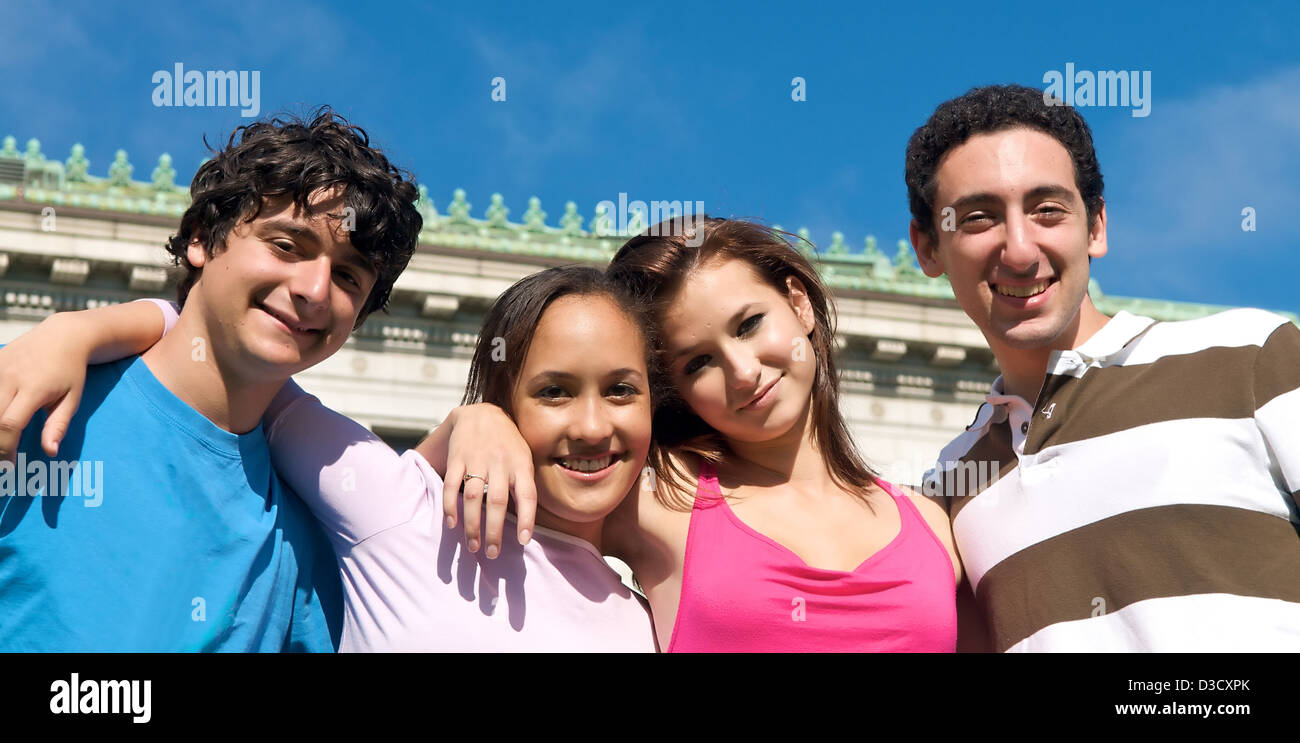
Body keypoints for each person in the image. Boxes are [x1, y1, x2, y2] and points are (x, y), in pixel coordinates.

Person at [1, 267, 658, 651]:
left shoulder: (641, 620)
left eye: (622, 388)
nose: (592, 425)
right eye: (553, 391)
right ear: (505, 398)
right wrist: (75, 329)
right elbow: (228, 350)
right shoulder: (398, 508)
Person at [432, 217, 963, 652]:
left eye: (749, 324)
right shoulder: (657, 494)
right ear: (675, 391)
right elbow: (417, 516)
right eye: (698, 362)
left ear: (799, 304)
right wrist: (476, 420)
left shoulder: (933, 526)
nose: (743, 371)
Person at [0, 109, 423, 651]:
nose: (315, 289)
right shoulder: (29, 392)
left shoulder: (311, 544)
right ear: (201, 238)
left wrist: (482, 423)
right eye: (287, 246)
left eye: (347, 276)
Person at [905, 83, 1300, 651]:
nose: (1019, 249)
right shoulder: (947, 490)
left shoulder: (1249, 354)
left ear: (1096, 227)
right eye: (977, 218)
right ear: (927, 249)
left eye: (1047, 211)